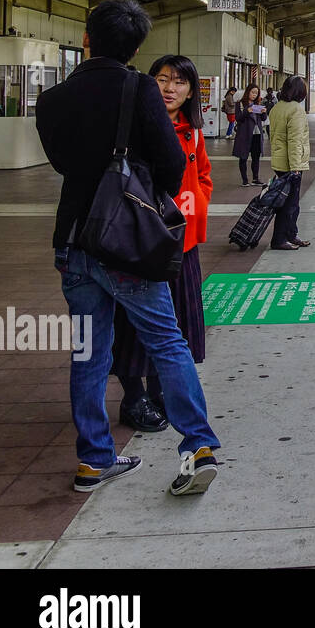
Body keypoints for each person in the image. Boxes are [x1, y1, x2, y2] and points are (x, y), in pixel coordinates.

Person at [35, 0, 220, 496]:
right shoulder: (139, 88)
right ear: (137, 47)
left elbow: (60, 163)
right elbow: (168, 162)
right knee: (166, 341)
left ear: (87, 38)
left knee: (87, 353)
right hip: (125, 244)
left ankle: (94, 461)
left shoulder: (51, 99)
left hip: (73, 241)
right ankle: (197, 446)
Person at [110, 55, 213, 432]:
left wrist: (197, 203)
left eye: (180, 82)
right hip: (138, 241)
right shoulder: (133, 126)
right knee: (134, 321)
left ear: (190, 92)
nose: (170, 88)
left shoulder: (193, 131)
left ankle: (159, 391)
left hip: (180, 241)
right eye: (162, 79)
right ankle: (133, 397)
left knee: (176, 320)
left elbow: (202, 173)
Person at [269, 75, 311, 250]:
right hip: (291, 164)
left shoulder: (277, 108)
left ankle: (291, 235)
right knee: (289, 204)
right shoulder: (296, 110)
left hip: (279, 161)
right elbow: (295, 140)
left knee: (288, 202)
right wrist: (295, 168)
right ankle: (279, 240)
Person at [232, 83, 266, 185]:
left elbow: (263, 119)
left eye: (256, 93)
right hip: (245, 134)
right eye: (253, 92)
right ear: (248, 92)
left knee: (256, 157)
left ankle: (255, 178)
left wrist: (264, 112)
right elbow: (238, 118)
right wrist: (247, 111)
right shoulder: (241, 103)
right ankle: (245, 180)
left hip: (257, 134)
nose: (254, 95)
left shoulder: (258, 105)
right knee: (243, 157)